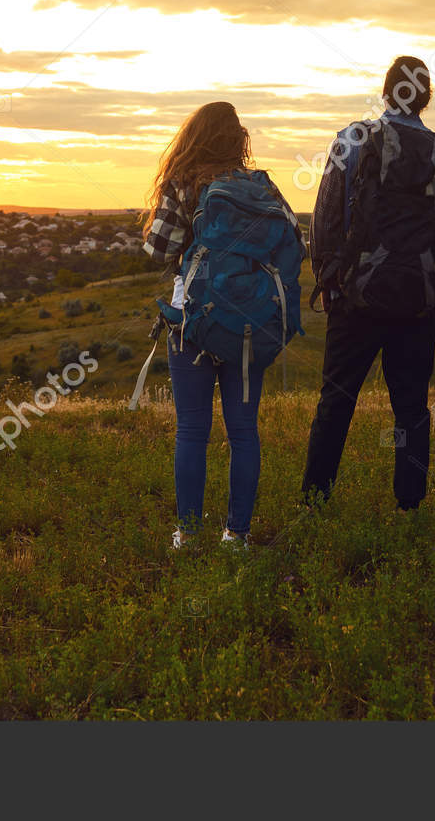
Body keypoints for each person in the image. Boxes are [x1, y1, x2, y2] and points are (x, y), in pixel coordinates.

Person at [300, 57, 435, 511]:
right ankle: (409, 506)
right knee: (411, 408)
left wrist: (329, 282)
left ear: (386, 91)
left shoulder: (353, 139)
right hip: (418, 300)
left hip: (356, 296)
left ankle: (315, 503)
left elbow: (325, 218)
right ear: (427, 97)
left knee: (335, 402)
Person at [143, 101, 297, 549]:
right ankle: (237, 535)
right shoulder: (261, 187)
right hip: (250, 324)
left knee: (193, 429)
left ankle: (189, 535)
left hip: (191, 322)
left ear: (194, 137)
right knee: (243, 430)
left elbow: (157, 249)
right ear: (239, 140)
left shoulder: (183, 182)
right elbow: (294, 242)